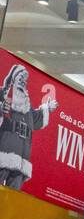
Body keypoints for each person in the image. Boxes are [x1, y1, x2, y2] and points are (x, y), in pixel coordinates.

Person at [0, 62, 57, 190]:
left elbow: (36, 120)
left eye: (24, 79)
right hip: (4, 150)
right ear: (13, 80)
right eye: (19, 77)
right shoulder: (3, 95)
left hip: (22, 156)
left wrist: (47, 108)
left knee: (13, 195)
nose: (22, 81)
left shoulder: (26, 106)